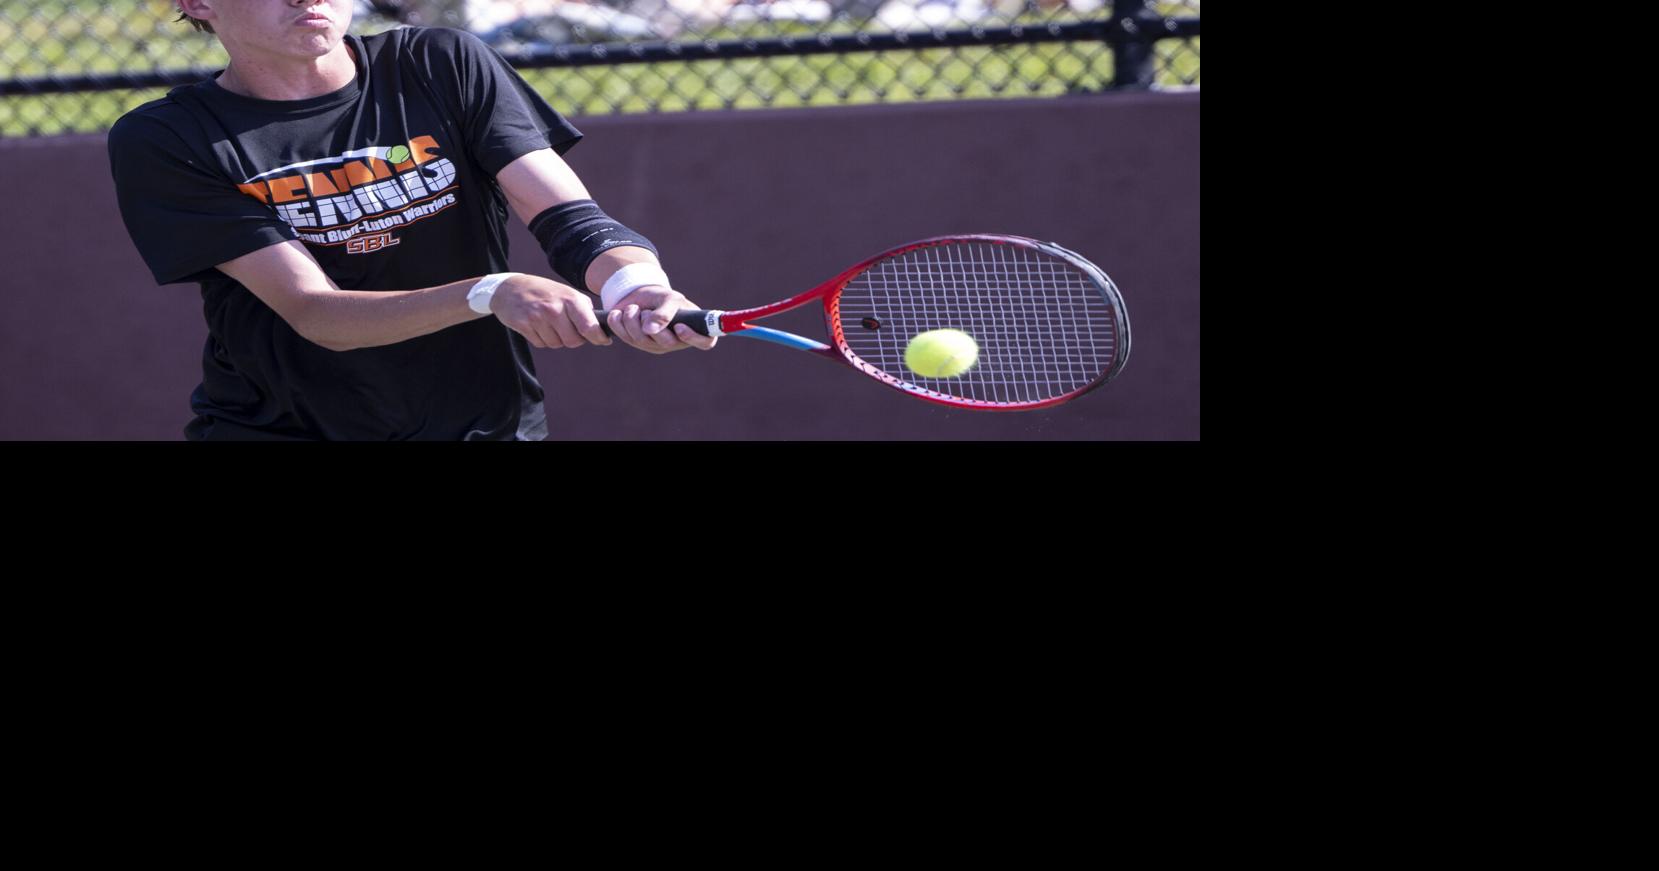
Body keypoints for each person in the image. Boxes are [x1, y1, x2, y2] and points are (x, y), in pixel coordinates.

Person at [107, 0, 714, 441]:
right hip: (280, 430)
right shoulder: (166, 138)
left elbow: (568, 217)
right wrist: (490, 292)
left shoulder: (441, 61)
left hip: (487, 424)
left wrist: (636, 286)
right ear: (197, 4)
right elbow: (315, 311)